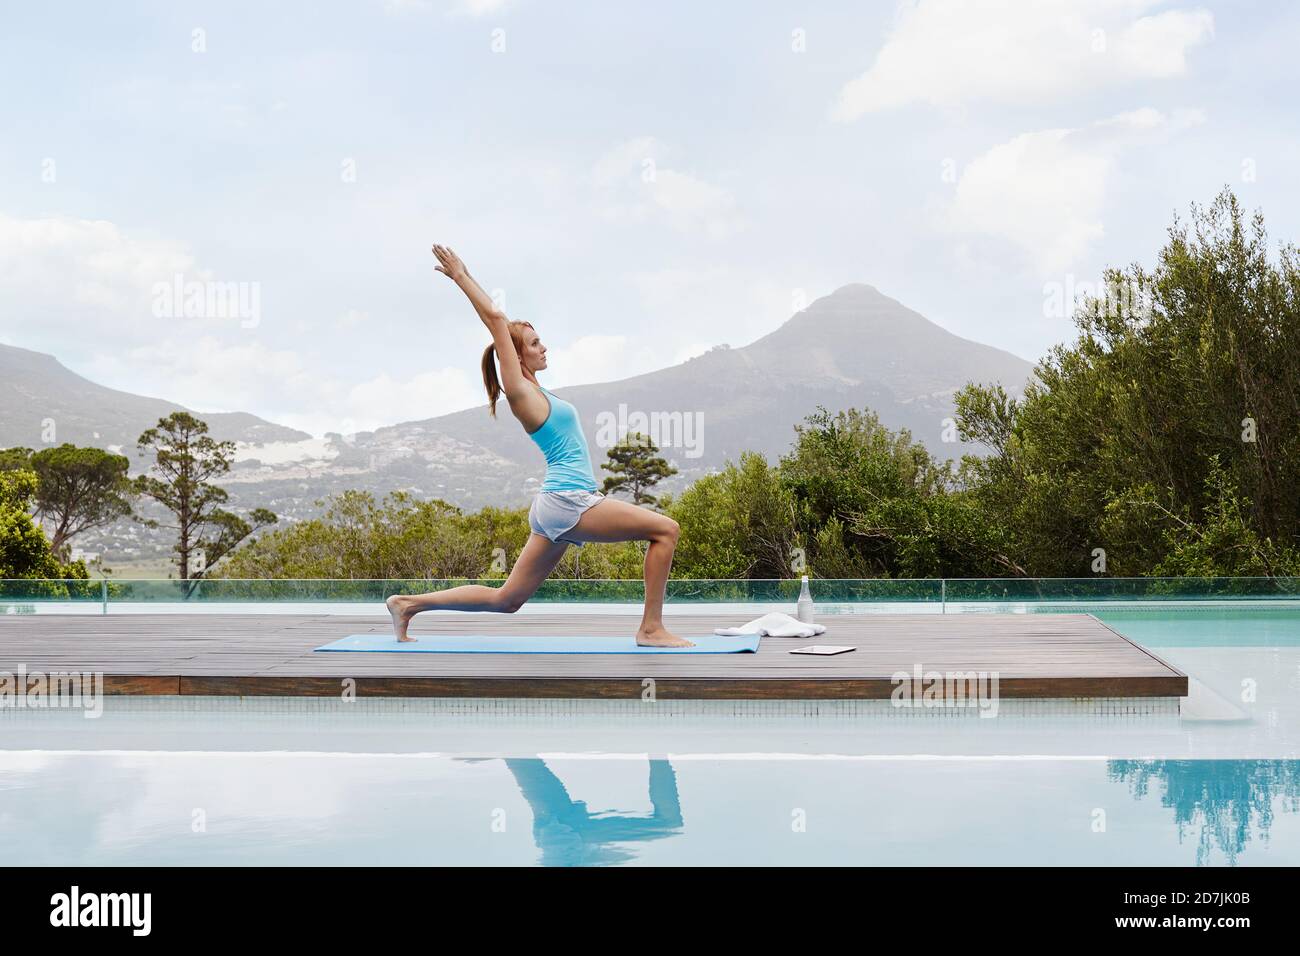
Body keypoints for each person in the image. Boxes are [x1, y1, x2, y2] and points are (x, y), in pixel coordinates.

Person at [384, 244, 692, 647]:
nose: (543, 347)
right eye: (533, 343)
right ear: (515, 355)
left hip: (558, 505)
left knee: (507, 599)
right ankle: (650, 629)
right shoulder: (518, 391)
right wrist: (461, 275)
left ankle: (407, 604)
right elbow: (496, 318)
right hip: (569, 500)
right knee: (666, 530)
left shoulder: (537, 390)